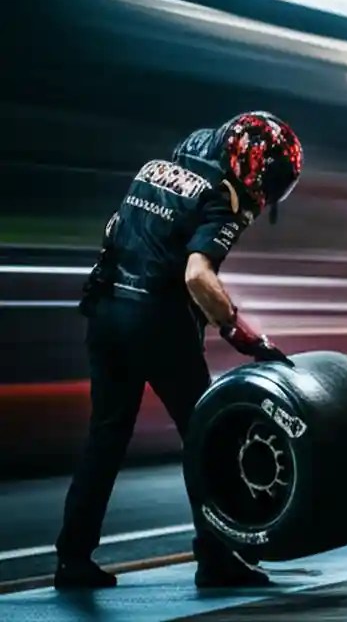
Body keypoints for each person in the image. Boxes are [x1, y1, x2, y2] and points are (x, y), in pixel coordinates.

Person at [55, 112, 304, 589]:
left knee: (105, 438)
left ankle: (72, 558)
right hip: (156, 321)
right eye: (272, 181)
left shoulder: (161, 167)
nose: (268, 194)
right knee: (207, 437)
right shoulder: (222, 198)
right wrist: (241, 334)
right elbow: (196, 275)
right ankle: (216, 558)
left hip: (104, 308)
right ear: (253, 166)